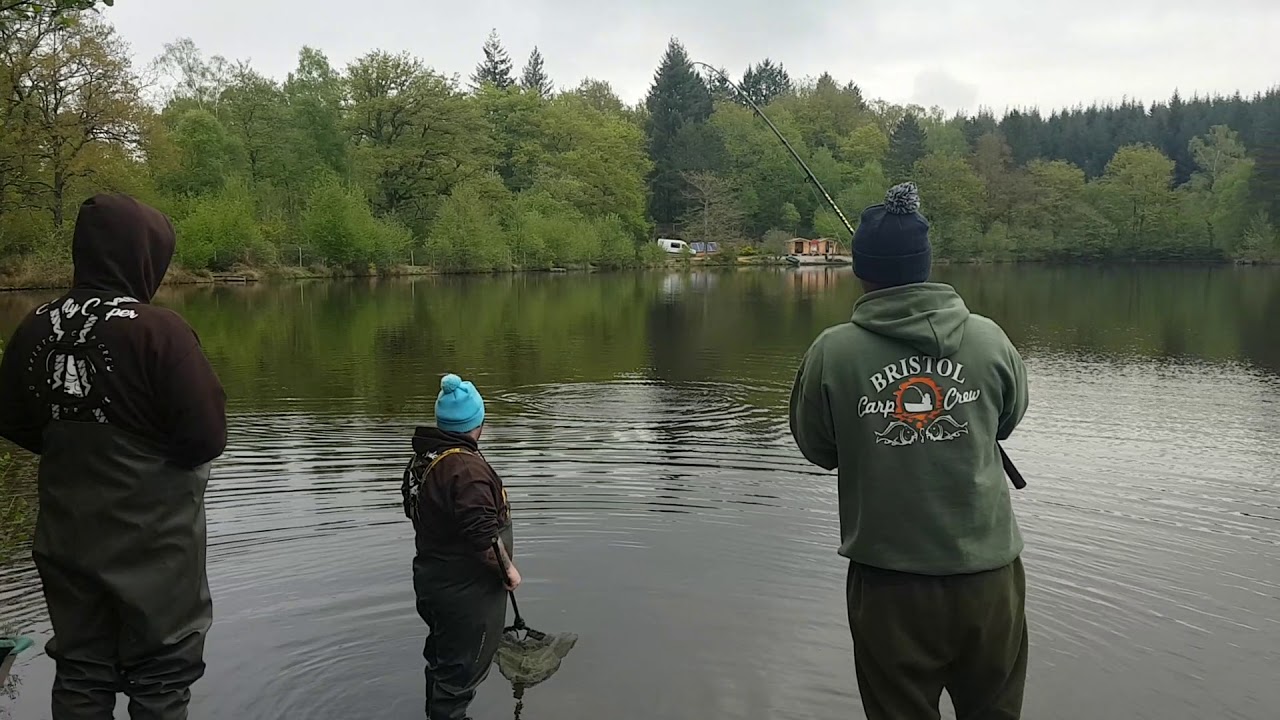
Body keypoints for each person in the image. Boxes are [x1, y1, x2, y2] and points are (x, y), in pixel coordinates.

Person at [788, 182, 1031, 720]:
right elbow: (1008, 420)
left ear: (860, 268)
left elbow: (818, 448)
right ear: (926, 264)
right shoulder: (990, 339)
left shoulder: (832, 352)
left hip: (889, 584)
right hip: (989, 579)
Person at [0, 193, 227, 720]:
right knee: (162, 673)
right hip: (154, 543)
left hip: (67, 535)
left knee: (81, 668)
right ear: (144, 255)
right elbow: (206, 437)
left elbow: (10, 419)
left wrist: (75, 449)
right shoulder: (158, 330)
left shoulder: (34, 325)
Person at [401, 373, 520, 720]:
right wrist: (509, 571)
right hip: (466, 594)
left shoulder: (425, 459)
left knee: (444, 665)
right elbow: (483, 536)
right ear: (477, 421)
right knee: (460, 675)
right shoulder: (465, 469)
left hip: (434, 582)